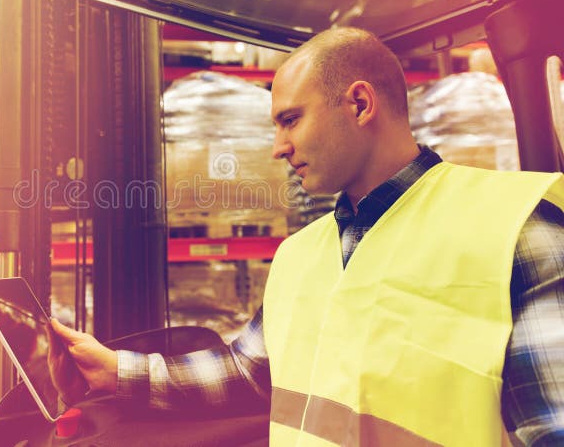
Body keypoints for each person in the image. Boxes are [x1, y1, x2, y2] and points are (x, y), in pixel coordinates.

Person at [50, 27, 564, 446]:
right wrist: (115, 371)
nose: (278, 147)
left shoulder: (514, 229)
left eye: (291, 120)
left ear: (359, 104)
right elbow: (250, 371)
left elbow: (552, 425)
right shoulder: (300, 253)